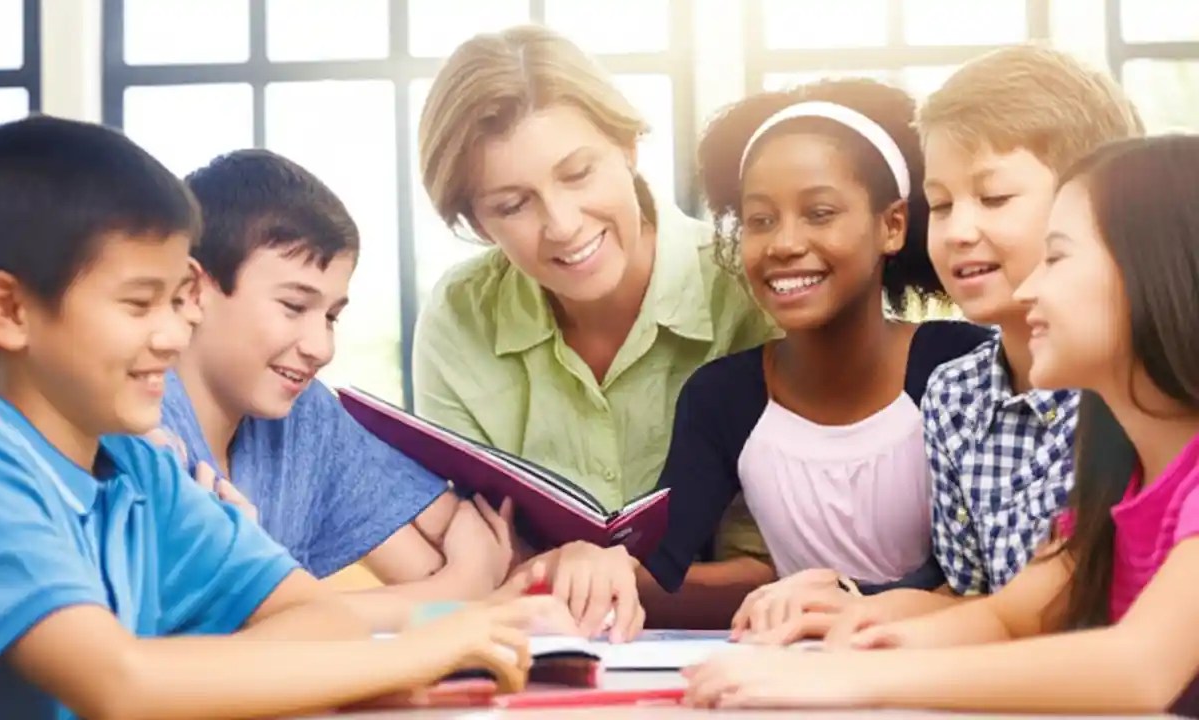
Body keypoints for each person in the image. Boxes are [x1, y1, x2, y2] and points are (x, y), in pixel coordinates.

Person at [0, 116, 573, 720]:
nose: (176, 333)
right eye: (140, 303)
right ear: (9, 311)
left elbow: (325, 624)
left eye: (179, 301)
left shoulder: (144, 472)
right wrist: (423, 646)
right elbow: (118, 684)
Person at [684, 133, 1199, 717]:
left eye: (1056, 257)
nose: (1029, 288)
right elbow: (1005, 617)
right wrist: (851, 652)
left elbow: (1138, 671)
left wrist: (857, 683)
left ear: (1154, 276)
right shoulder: (1116, 482)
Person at [743, 46, 1144, 640]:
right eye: (944, 203)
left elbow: (1064, 625)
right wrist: (848, 609)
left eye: (995, 198)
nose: (957, 231)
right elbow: (974, 600)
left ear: (1093, 204)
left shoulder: (1138, 391)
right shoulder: (955, 394)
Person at [165, 148, 645, 639]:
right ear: (192, 290)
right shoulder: (139, 428)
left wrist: (482, 589)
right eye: (293, 306)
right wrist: (463, 586)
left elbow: (451, 545)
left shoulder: (303, 418)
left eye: (331, 316)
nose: (321, 347)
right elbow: (255, 628)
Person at [413, 23, 776, 627]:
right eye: (512, 205)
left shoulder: (747, 292)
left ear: (629, 147)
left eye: (578, 173)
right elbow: (469, 554)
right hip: (535, 657)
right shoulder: (459, 318)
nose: (562, 224)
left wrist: (610, 575)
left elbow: (779, 566)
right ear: (478, 223)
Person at [642, 78, 988, 623]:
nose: (783, 243)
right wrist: (582, 566)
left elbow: (989, 575)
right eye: (760, 220)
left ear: (891, 225)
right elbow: (659, 566)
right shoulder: (723, 398)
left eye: (819, 213)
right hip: (798, 678)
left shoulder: (962, 367)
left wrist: (849, 602)